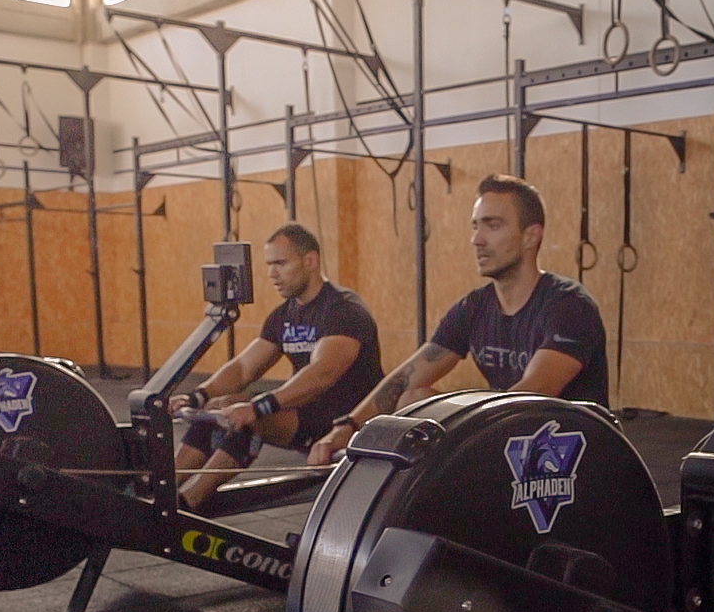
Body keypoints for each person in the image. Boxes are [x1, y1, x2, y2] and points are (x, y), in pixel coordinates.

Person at [305, 174, 609, 464]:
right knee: (414, 397)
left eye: (493, 226)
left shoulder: (569, 305)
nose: (477, 239)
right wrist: (347, 427)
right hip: (513, 442)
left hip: (568, 453)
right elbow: (406, 377)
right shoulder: (474, 308)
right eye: (475, 226)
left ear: (531, 236)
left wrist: (459, 442)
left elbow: (534, 392)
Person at [170, 223, 383, 510]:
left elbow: (322, 374)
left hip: (348, 421)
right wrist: (198, 396)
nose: (272, 274)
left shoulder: (343, 310)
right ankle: (161, 490)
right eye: (269, 265)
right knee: (219, 408)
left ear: (310, 261)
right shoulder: (284, 315)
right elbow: (244, 368)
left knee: (249, 418)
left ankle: (187, 503)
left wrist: (258, 406)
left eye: (281, 263)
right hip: (306, 415)